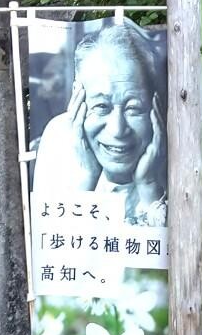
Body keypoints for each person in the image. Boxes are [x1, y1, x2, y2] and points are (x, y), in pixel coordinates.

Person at [33, 21, 166, 225]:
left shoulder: (176, 145)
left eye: (133, 108)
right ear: (78, 98)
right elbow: (53, 249)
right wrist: (86, 177)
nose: (118, 130)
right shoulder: (59, 137)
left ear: (153, 105)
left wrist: (149, 187)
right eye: (102, 106)